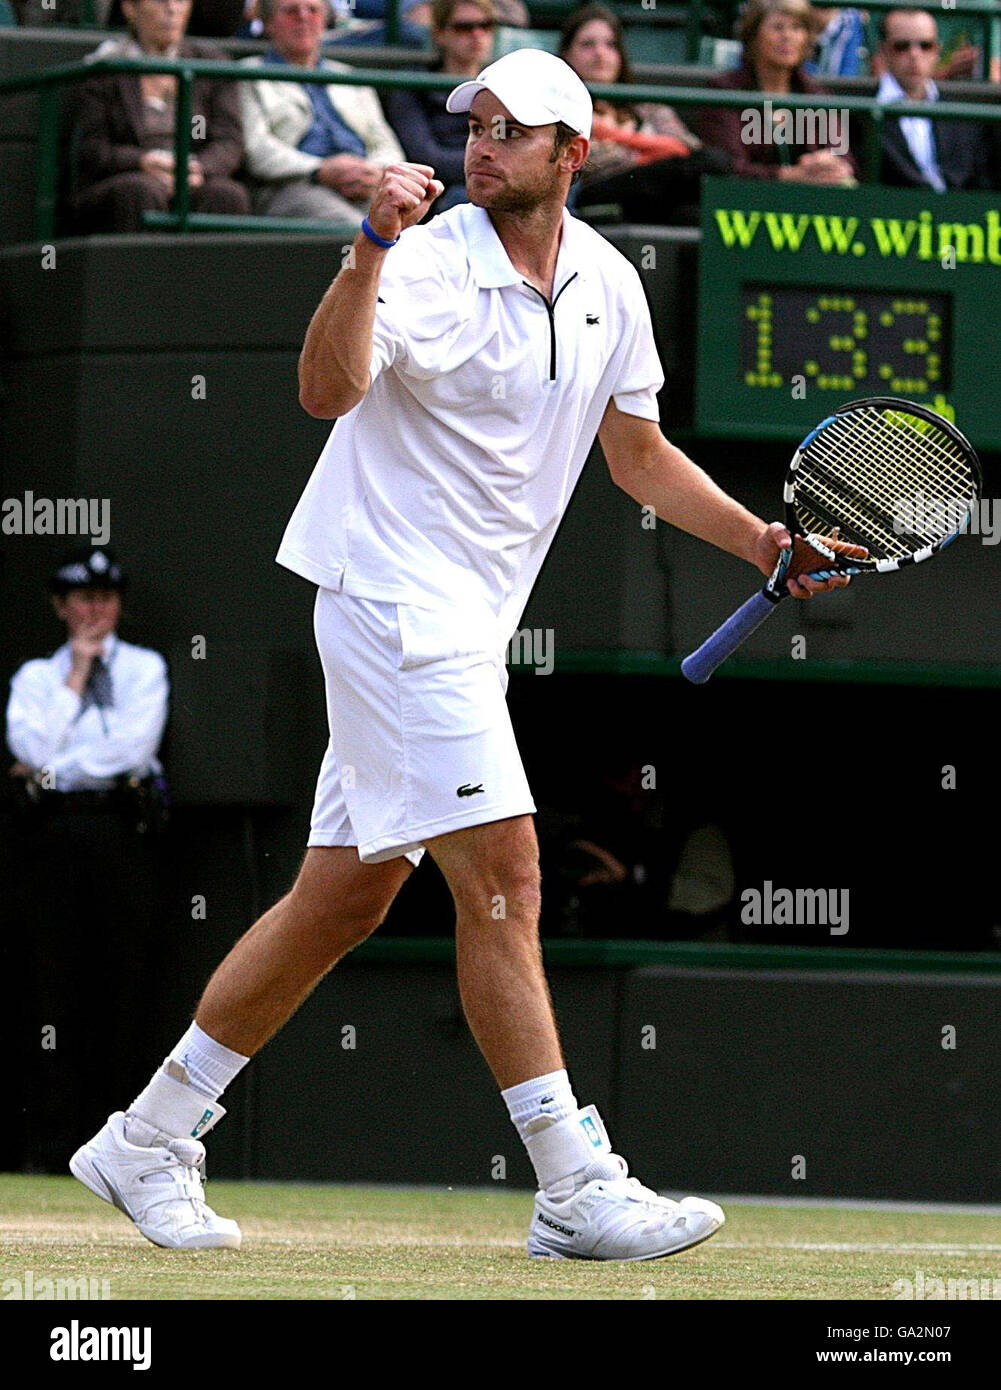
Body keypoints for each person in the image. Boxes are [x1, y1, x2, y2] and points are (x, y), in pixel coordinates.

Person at [70, 47, 862, 1259]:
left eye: (510, 129)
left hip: (461, 625)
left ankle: (147, 1135)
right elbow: (325, 393)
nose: (481, 144)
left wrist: (759, 540)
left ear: (571, 154)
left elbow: (635, 455)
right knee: (507, 876)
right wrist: (367, 252)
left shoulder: (608, 282)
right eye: (473, 124)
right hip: (391, 601)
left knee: (340, 897)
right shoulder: (426, 262)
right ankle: (569, 1178)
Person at [6, 546, 170, 1171]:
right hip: (51, 840)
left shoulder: (145, 668)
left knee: (124, 983)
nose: (95, 609)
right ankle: (51, 1147)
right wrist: (75, 677)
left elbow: (132, 750)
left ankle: (126, 1148)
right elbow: (27, 740)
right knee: (51, 982)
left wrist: (50, 768)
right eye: (82, 598)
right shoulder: (36, 678)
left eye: (106, 598)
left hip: (120, 833)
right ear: (60, 606)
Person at [74, 0, 250, 234]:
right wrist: (142, 162)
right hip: (127, 177)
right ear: (130, 8)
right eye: (160, 0)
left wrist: (198, 168)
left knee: (226, 195)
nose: (171, 9)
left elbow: (229, 141)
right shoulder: (105, 68)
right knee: (141, 191)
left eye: (180, 1)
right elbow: (93, 149)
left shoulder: (213, 64)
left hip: (193, 173)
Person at [558, 2, 730, 223]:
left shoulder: (649, 109)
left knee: (697, 209)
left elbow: (685, 149)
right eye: (587, 44)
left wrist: (617, 137)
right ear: (566, 53)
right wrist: (654, 152)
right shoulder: (562, 111)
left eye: (610, 45)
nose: (600, 54)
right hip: (597, 195)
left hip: (652, 198)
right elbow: (590, 166)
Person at [238, 0, 404, 225]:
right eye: (290, 11)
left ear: (325, 22)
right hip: (293, 187)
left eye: (313, 10)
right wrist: (319, 169)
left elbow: (385, 143)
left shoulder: (350, 77)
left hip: (364, 184)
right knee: (362, 229)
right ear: (268, 24)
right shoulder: (248, 74)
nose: (303, 17)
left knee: (410, 226)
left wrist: (372, 172)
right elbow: (256, 149)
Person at [698, 0, 857, 184]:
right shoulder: (725, 90)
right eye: (778, 28)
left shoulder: (817, 95)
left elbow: (844, 159)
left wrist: (828, 163)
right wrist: (789, 175)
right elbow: (727, 167)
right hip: (742, 204)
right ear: (753, 35)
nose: (787, 36)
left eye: (797, 28)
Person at [383, 0, 498, 214]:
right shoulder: (411, 84)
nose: (477, 34)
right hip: (438, 194)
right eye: (464, 27)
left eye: (486, 25)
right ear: (439, 34)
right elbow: (425, 157)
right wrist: (495, 165)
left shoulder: (505, 83)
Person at [876, 8, 993, 192]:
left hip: (957, 216)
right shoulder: (856, 114)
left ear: (937, 50)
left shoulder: (964, 116)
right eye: (901, 46)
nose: (914, 55)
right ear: (884, 51)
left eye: (925, 46)